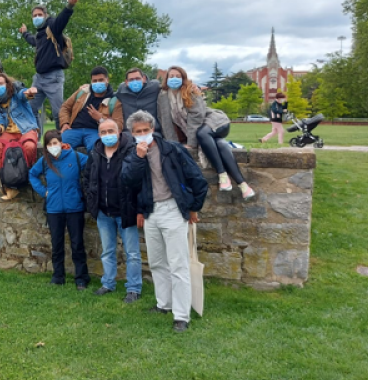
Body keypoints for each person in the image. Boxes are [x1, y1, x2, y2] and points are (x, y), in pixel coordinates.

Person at [121, 110, 208, 333]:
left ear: (153, 129)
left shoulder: (172, 149)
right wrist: (139, 158)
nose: (142, 134)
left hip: (172, 209)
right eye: (137, 132)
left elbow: (197, 179)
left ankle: (181, 315)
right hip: (151, 212)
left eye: (145, 130)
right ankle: (164, 304)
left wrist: (193, 207)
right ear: (132, 134)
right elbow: (129, 182)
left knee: (178, 263)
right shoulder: (132, 154)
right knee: (157, 261)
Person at [158, 66, 255, 199]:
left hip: (216, 121)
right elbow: (166, 122)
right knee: (220, 144)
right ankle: (245, 187)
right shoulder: (163, 96)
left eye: (178, 76)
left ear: (183, 78)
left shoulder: (191, 91)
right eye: (171, 76)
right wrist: (173, 145)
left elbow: (196, 118)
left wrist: (191, 144)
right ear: (166, 79)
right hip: (205, 130)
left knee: (202, 134)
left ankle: (222, 175)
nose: (174, 79)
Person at [82, 118, 142, 302]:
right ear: (99, 134)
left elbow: (140, 181)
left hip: (126, 210)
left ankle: (133, 288)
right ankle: (108, 283)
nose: (108, 135)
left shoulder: (131, 150)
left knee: (132, 253)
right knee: (107, 251)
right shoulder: (96, 152)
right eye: (104, 132)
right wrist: (92, 199)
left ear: (119, 131)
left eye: (111, 131)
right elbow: (87, 177)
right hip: (103, 211)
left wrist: (139, 209)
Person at [29, 130, 90, 289]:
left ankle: (81, 278)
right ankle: (58, 276)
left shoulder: (76, 157)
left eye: (55, 143)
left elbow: (93, 166)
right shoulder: (44, 161)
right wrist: (43, 192)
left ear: (61, 143)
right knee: (56, 244)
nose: (52, 146)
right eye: (49, 144)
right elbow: (32, 175)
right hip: (54, 209)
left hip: (74, 207)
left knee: (77, 244)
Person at [19, 0, 79, 135]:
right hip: (38, 79)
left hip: (53, 77)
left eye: (40, 15)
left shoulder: (52, 28)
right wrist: (25, 33)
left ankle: (61, 140)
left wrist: (69, 6)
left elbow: (61, 21)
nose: (37, 17)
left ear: (46, 16)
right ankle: (35, 138)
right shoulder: (40, 35)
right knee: (30, 108)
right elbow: (33, 41)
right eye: (34, 16)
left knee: (58, 112)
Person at [0, 73, 39, 200]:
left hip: (26, 129)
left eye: (1, 83)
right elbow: (0, 119)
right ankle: (7, 184)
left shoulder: (16, 93)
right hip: (9, 133)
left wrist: (29, 92)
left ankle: (26, 178)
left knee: (29, 146)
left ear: (7, 84)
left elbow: (24, 95)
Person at [59, 66, 123, 150]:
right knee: (60, 147)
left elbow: (119, 125)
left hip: (95, 132)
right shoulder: (83, 92)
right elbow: (65, 107)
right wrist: (65, 123)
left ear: (107, 80)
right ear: (91, 81)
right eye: (94, 81)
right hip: (74, 129)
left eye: (101, 80)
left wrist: (101, 119)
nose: (97, 83)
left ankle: (87, 163)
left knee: (96, 149)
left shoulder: (114, 101)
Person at [114, 67, 162, 133]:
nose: (135, 82)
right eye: (131, 80)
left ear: (144, 78)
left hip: (153, 132)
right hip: (130, 134)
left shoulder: (154, 87)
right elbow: (108, 94)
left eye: (137, 78)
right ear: (126, 82)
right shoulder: (121, 91)